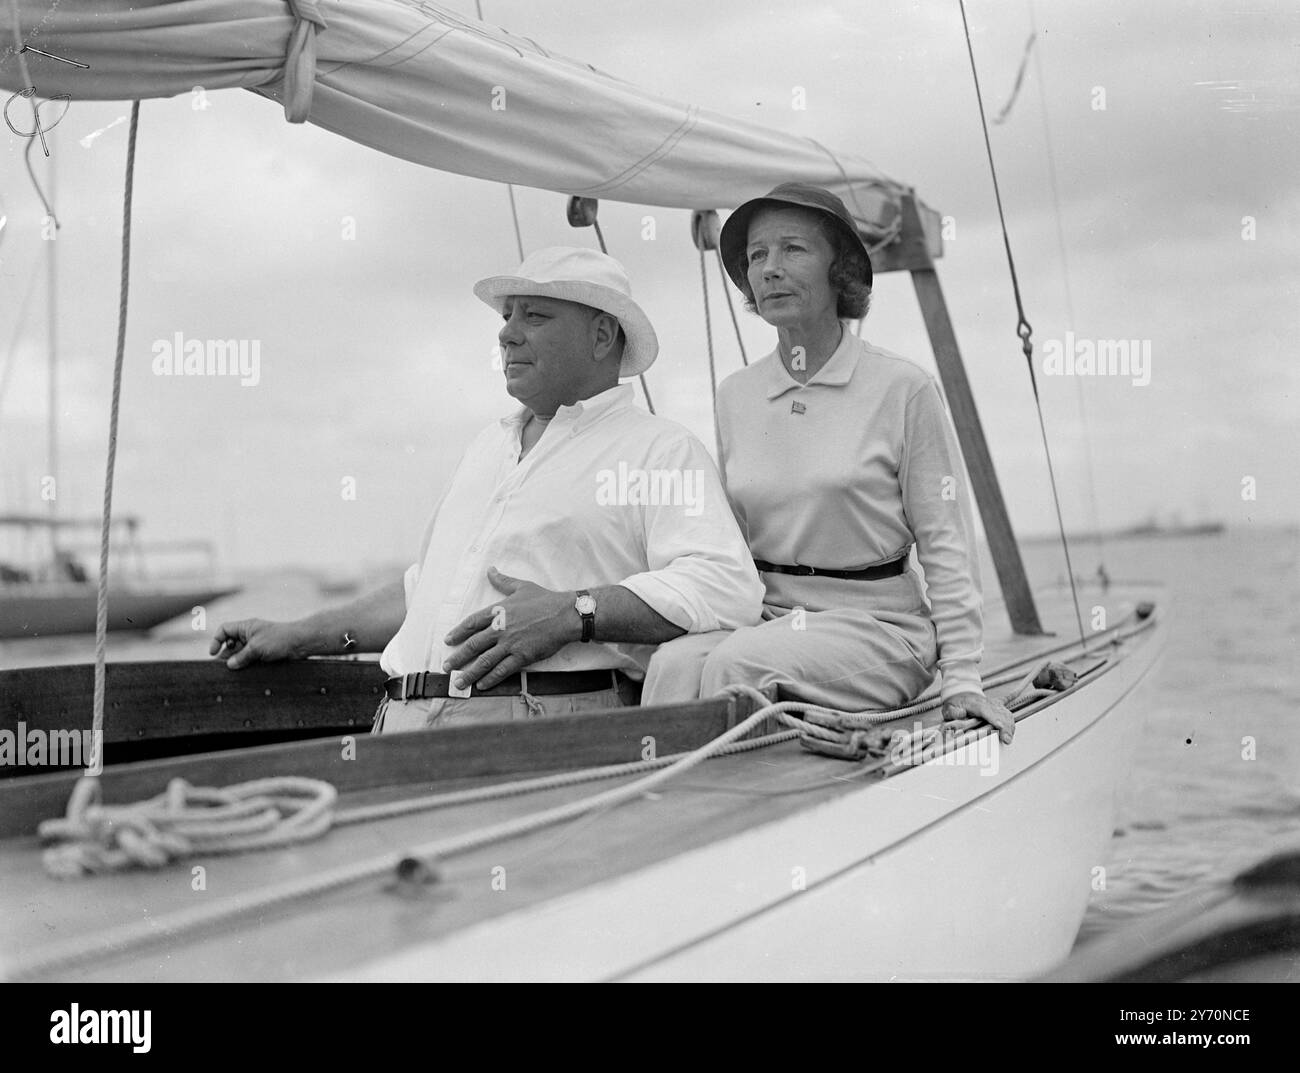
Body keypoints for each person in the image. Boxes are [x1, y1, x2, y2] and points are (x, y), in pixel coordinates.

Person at [212, 247, 764, 732]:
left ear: (602, 335)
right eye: (507, 316)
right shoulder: (486, 447)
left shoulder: (659, 449)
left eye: (536, 315)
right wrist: (299, 635)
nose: (507, 332)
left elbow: (724, 586)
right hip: (399, 722)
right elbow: (426, 592)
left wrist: (576, 612)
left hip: (539, 725)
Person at [642, 183, 1014, 743]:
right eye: (756, 255)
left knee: (735, 666)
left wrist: (962, 677)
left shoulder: (901, 388)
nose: (769, 269)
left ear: (840, 269)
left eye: (793, 249)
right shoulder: (736, 396)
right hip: (770, 620)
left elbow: (947, 540)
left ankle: (739, 810)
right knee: (669, 666)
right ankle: (654, 805)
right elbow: (734, 541)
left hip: (880, 629)